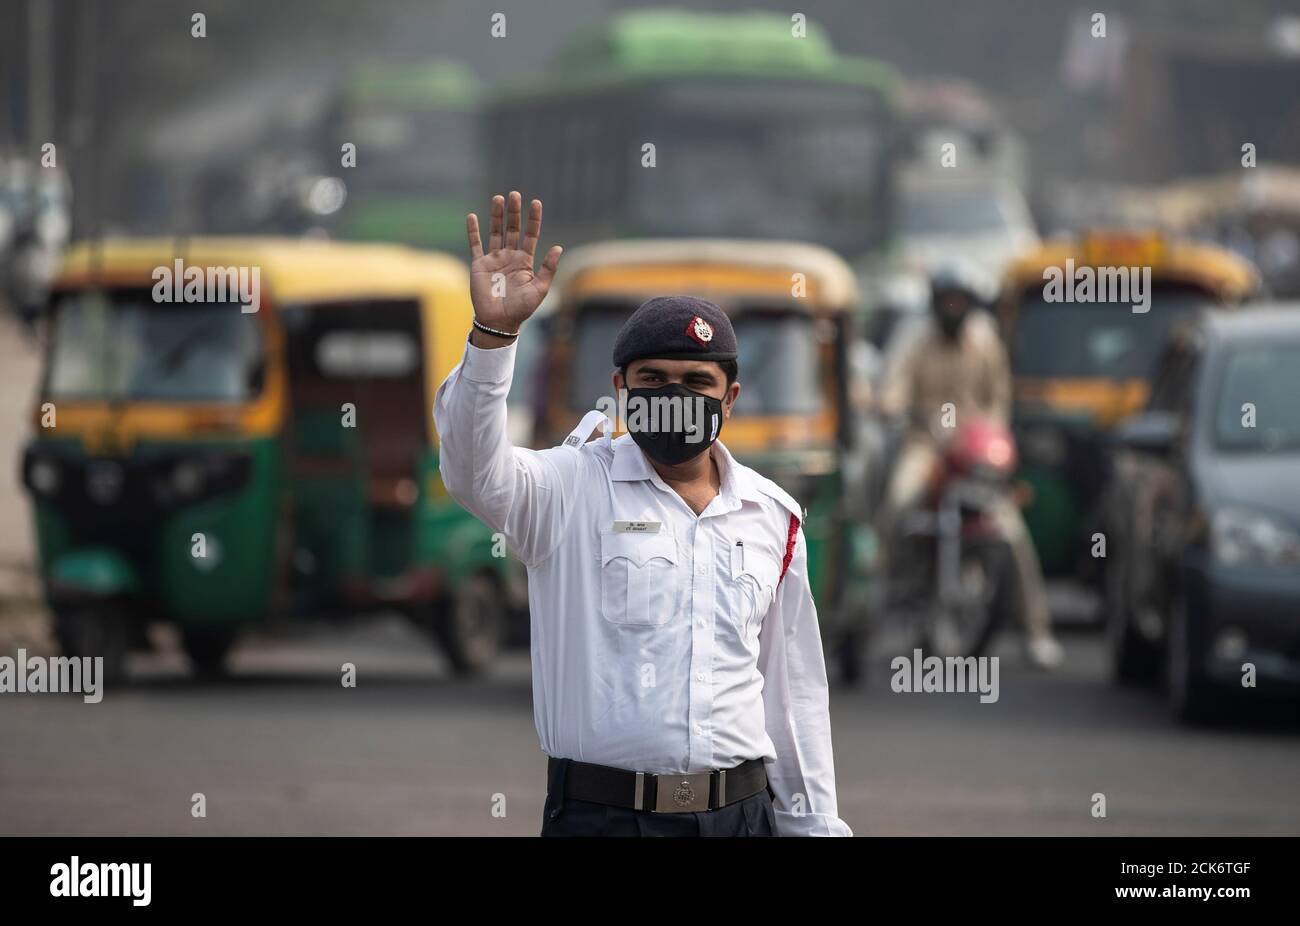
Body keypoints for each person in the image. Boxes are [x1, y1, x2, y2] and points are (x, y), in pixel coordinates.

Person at [433, 192, 852, 836]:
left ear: (730, 397)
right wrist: (494, 337)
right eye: (652, 380)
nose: (674, 395)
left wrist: (816, 827)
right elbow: (470, 470)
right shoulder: (566, 490)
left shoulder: (773, 515)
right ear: (621, 391)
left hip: (741, 819)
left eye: (696, 382)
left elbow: (792, 695)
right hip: (603, 820)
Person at [877, 262, 1064, 669]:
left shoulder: (985, 345)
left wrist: (988, 442)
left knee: (1011, 532)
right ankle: (879, 599)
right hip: (925, 446)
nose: (953, 307)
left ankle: (1037, 631)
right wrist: (890, 403)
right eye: (947, 300)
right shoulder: (917, 343)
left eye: (960, 300)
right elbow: (895, 388)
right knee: (897, 500)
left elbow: (999, 402)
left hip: (974, 457)